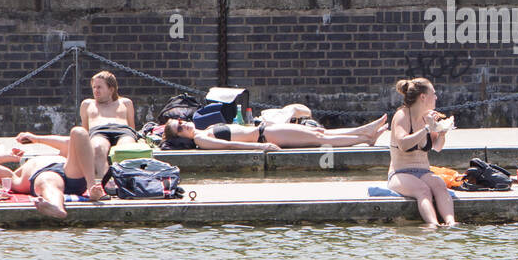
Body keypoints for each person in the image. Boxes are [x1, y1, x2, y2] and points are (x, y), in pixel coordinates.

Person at [0, 126, 107, 220]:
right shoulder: (13, 178)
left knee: (78, 132)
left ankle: (92, 189)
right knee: (49, 180)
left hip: (69, 169)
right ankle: (57, 207)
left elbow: (68, 142)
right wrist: (8, 157)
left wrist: (36, 139)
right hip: (47, 175)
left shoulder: (56, 157)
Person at [387, 77, 456, 228]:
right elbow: (404, 144)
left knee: (439, 184)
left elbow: (437, 147)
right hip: (400, 173)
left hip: (423, 171)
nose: (436, 97)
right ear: (423, 97)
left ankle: (451, 223)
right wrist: (426, 129)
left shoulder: (430, 117)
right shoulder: (402, 115)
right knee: (423, 190)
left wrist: (442, 132)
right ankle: (433, 225)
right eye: (434, 93)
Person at [161, 114, 388, 151]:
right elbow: (232, 146)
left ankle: (365, 132)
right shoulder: (202, 138)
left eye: (181, 121)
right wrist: (262, 146)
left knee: (320, 131)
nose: (184, 125)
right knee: (321, 138)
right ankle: (366, 136)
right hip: (266, 136)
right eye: (179, 128)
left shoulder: (204, 129)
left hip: (265, 129)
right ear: (180, 136)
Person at [79, 70, 138, 179]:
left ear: (111, 89)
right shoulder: (87, 104)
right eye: (94, 87)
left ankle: (124, 181)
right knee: (97, 148)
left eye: (99, 87)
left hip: (123, 131)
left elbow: (132, 127)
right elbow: (85, 131)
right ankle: (107, 182)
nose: (96, 90)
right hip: (98, 132)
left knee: (126, 148)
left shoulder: (126, 103)